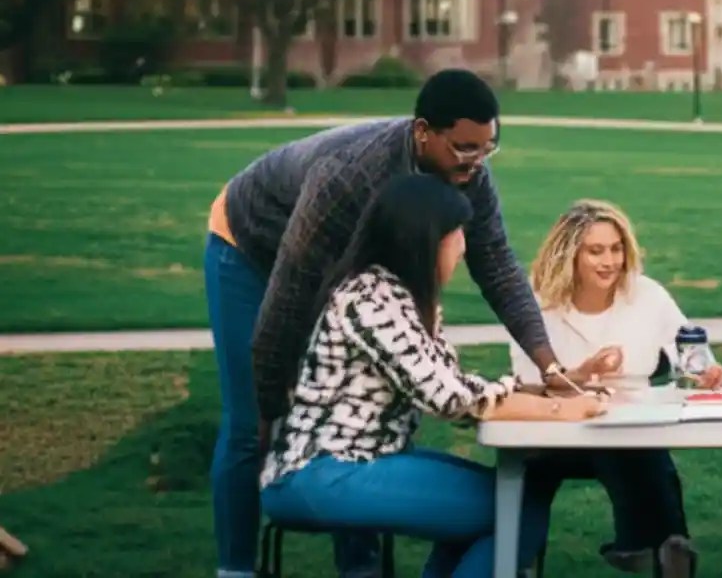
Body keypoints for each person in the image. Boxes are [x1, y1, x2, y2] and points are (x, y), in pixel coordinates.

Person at [202, 69, 606, 578]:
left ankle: (361, 567)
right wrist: (272, 412)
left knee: (364, 416)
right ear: (423, 133)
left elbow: (498, 267)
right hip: (252, 244)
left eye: (488, 148)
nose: (477, 162)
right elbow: (286, 303)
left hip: (356, 347)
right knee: (248, 425)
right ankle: (236, 568)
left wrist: (550, 370)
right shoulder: (349, 179)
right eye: (464, 148)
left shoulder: (463, 183)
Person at [259, 173, 608, 578]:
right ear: (424, 238)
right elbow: (450, 398)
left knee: (512, 501)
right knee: (517, 509)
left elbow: (454, 383)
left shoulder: (403, 295)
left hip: (362, 461)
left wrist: (553, 392)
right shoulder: (371, 298)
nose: (463, 245)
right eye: (456, 232)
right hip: (322, 471)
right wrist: (561, 411)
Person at [510, 199, 722, 577]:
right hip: (554, 428)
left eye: (616, 249)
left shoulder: (647, 294)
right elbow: (526, 384)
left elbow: (690, 354)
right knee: (538, 468)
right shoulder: (535, 300)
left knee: (638, 450)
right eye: (595, 251)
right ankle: (520, 557)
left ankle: (664, 552)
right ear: (569, 254)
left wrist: (707, 371)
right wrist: (581, 374)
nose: (609, 261)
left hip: (627, 427)